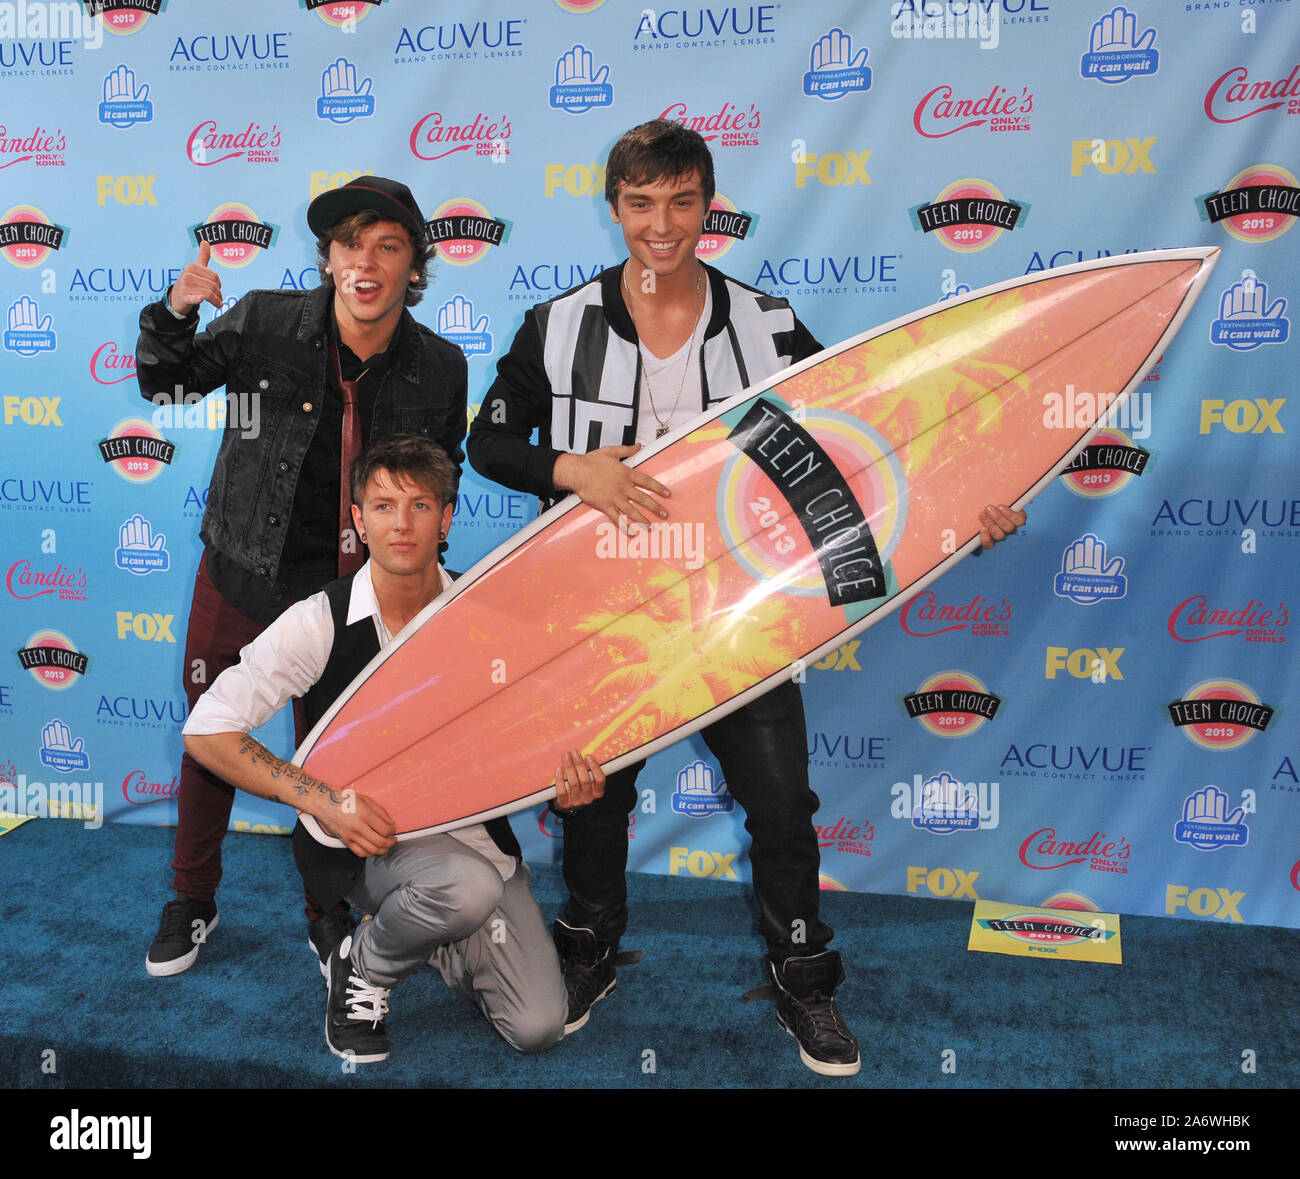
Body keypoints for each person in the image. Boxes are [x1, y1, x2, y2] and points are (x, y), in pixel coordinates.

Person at [468, 119, 1025, 1077]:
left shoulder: (767, 324)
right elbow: (489, 441)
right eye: (641, 203)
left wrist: (964, 507)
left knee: (781, 804)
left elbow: (864, 440)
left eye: (681, 202)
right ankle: (591, 943)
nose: (661, 224)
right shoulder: (558, 325)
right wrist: (572, 469)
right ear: (614, 209)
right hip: (604, 617)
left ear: (709, 207)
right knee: (595, 799)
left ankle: (802, 972)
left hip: (741, 617)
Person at [136, 177, 469, 978]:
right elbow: (165, 382)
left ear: (414, 266)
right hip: (240, 568)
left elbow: (440, 478)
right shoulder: (263, 322)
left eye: (387, 246)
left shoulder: (439, 365)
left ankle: (330, 912)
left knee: (334, 756)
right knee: (212, 732)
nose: (366, 262)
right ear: (327, 259)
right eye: (350, 244)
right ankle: (193, 896)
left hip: (345, 595)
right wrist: (176, 312)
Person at [182, 435, 602, 1061]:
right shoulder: (319, 619)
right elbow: (207, 729)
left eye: (420, 506)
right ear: (359, 519)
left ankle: (432, 937)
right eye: (383, 506)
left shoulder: (486, 615)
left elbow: (530, 742)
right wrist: (321, 800)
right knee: (465, 888)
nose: (401, 524)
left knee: (538, 1025)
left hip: (476, 843)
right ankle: (362, 967)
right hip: (368, 841)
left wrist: (567, 793)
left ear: (446, 519)